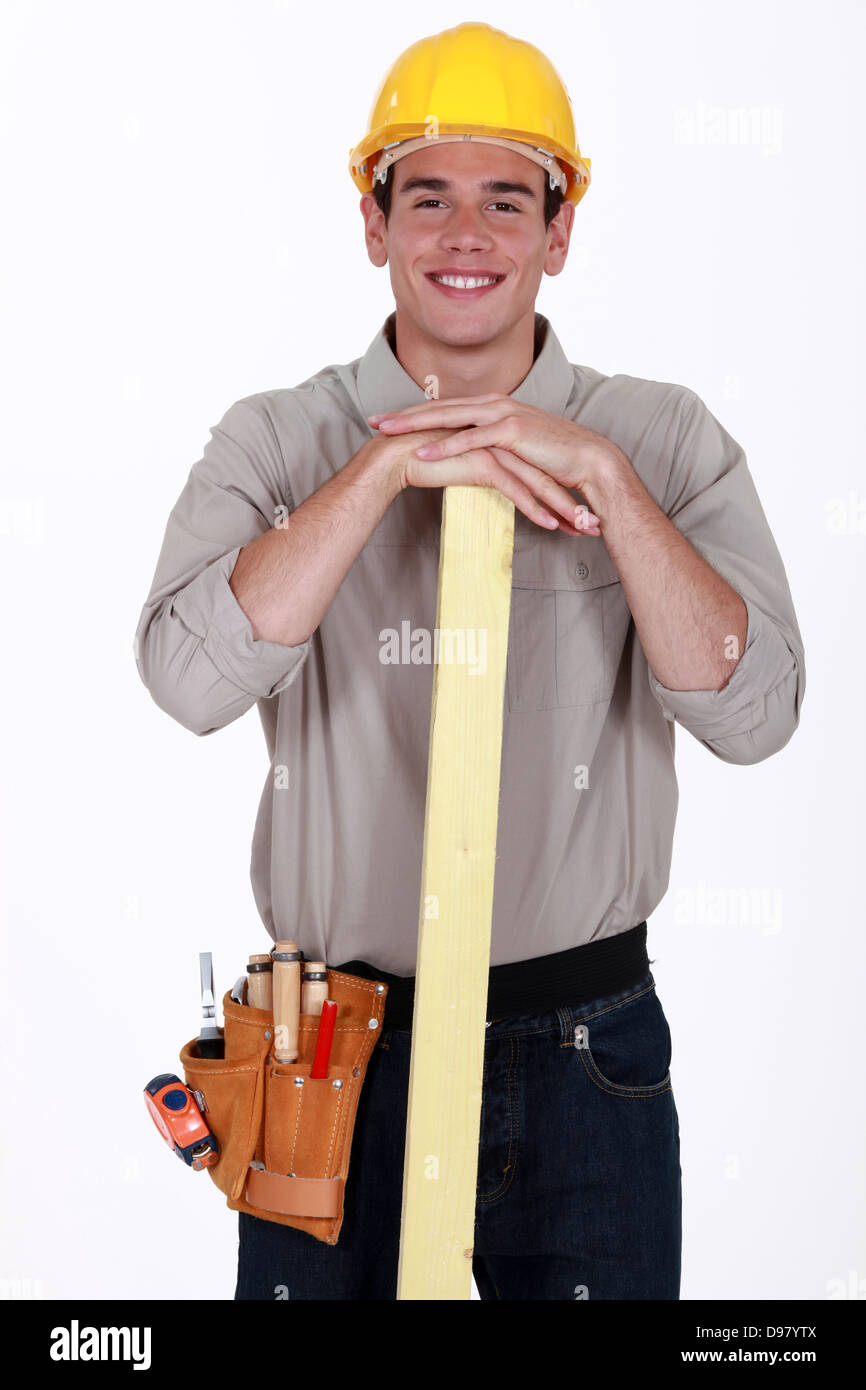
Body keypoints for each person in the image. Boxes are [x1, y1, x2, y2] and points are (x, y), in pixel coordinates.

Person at [133, 22, 805, 1300]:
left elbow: (755, 710)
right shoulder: (275, 440)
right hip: (330, 1051)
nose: (464, 236)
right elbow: (184, 679)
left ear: (557, 235)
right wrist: (385, 463)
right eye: (426, 197)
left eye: (507, 201)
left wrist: (603, 481)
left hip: (583, 1056)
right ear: (372, 222)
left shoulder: (657, 438)